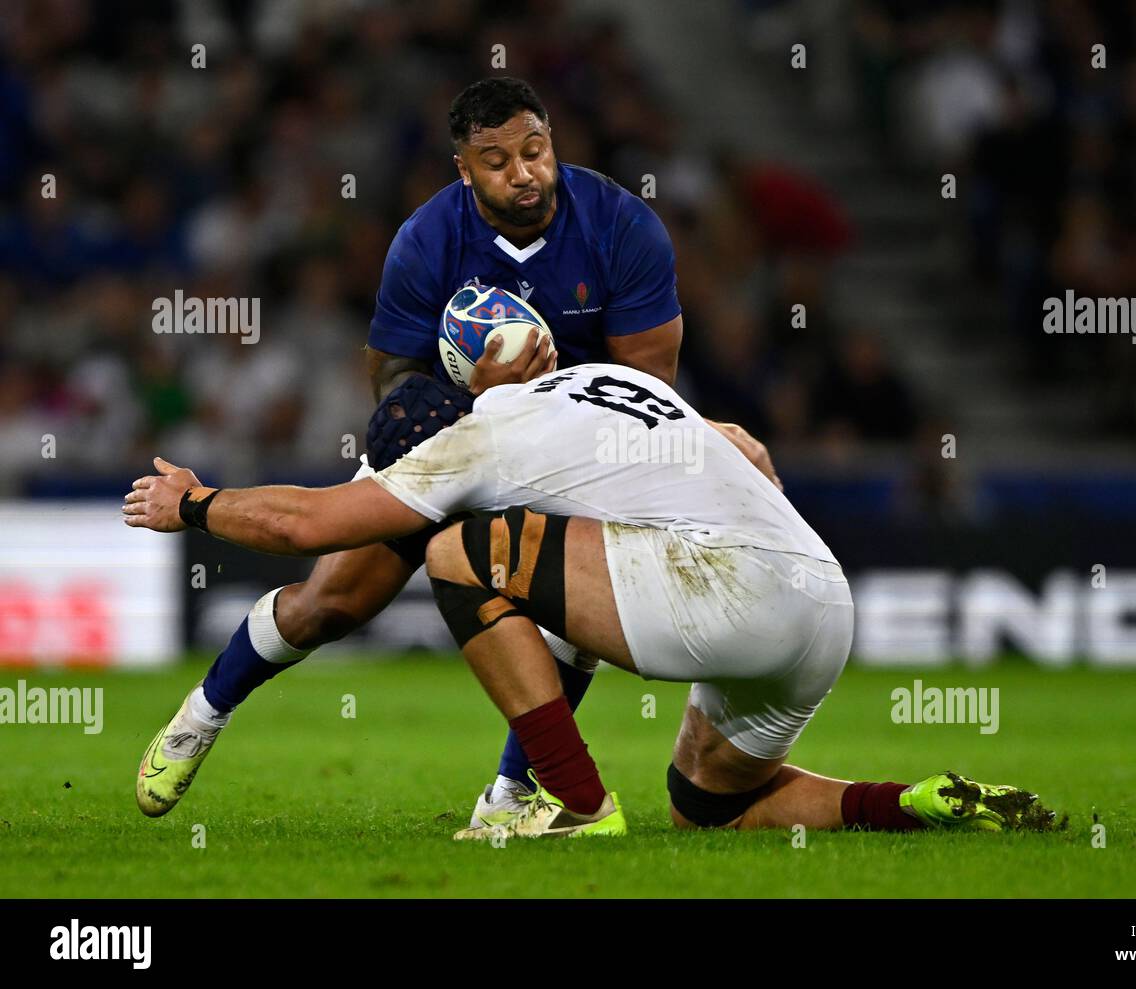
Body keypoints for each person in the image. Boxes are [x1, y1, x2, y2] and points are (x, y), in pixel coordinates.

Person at [162, 76, 778, 829]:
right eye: (497, 160)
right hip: (460, 431)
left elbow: (647, 383)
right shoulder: (426, 239)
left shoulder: (621, 225)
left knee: (570, 615)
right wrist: (476, 395)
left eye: (535, 150)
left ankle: (518, 789)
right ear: (464, 169)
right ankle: (205, 709)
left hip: (579, 449)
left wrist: (547, 398)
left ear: (552, 142)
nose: (523, 173)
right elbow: (390, 382)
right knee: (331, 601)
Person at [126, 366, 1058, 838]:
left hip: (728, 586)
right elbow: (749, 449)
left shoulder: (470, 441)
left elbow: (306, 527)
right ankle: (915, 801)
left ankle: (571, 803)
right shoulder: (614, 384)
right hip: (820, 597)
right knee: (709, 804)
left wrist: (196, 504)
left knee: (461, 554)